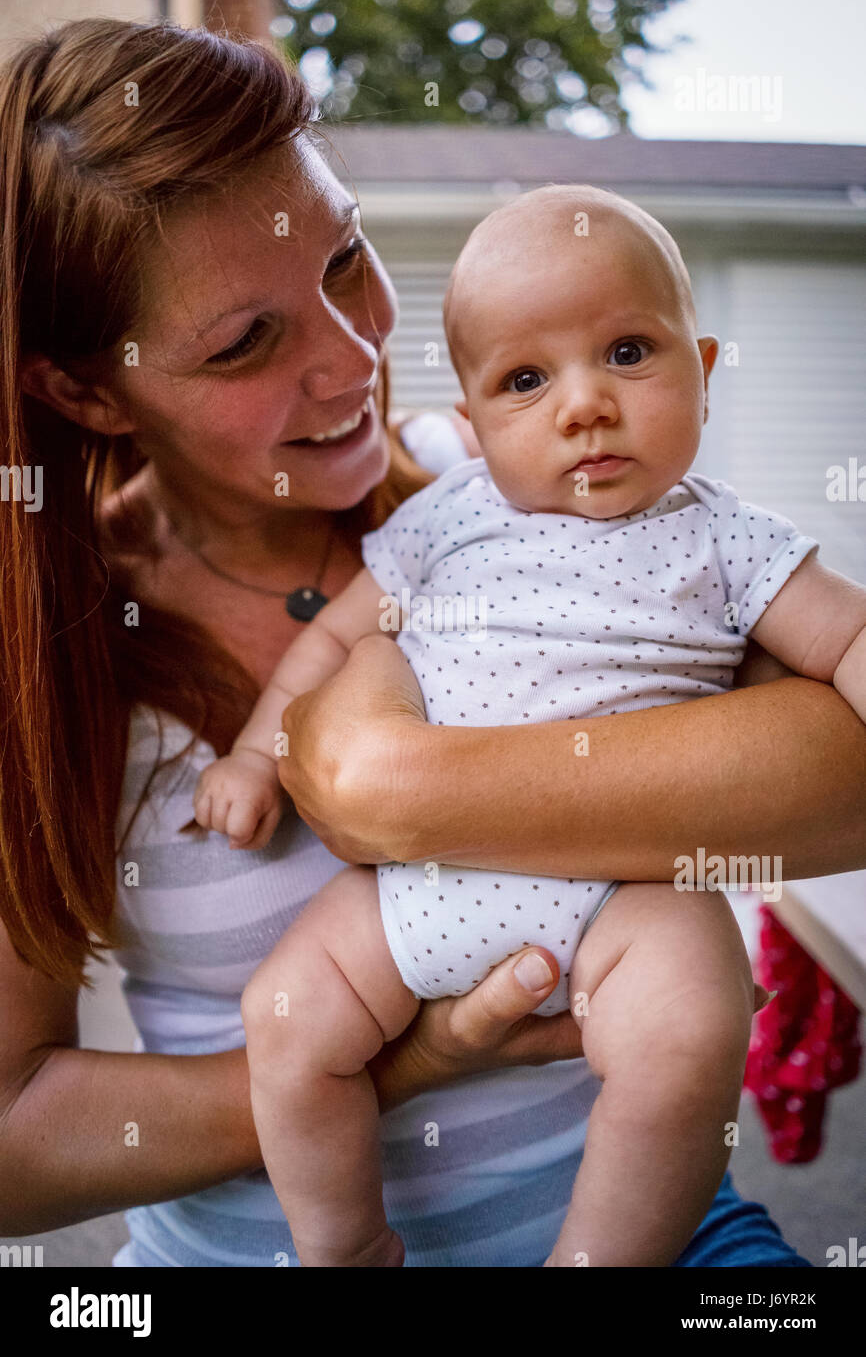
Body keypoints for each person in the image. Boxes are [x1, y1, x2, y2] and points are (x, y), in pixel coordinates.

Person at [1, 20, 863, 1269]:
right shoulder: (53, 655)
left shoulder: (517, 488)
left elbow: (835, 770)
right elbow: (15, 1141)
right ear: (85, 390)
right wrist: (408, 1059)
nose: (355, 361)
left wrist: (390, 786)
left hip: (656, 1234)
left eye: (344, 257)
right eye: (244, 342)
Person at [194, 185, 866, 1267]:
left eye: (628, 354)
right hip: (418, 889)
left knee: (690, 1035)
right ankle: (346, 1244)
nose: (584, 404)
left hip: (629, 894)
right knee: (283, 1019)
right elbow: (326, 652)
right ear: (469, 425)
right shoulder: (445, 517)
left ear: (700, 365)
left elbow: (843, 642)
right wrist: (252, 753)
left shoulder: (731, 538)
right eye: (524, 380)